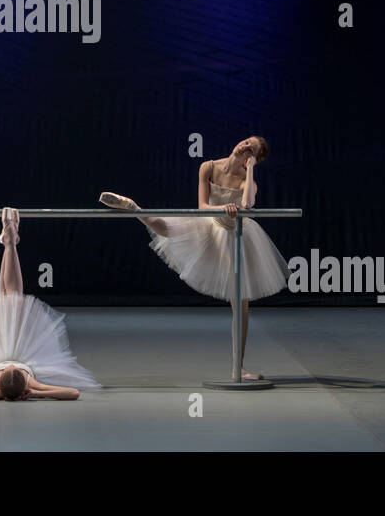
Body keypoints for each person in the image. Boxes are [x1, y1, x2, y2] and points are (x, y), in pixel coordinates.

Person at [99, 136, 288, 379]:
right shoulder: (208, 167)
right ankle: (135, 208)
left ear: (253, 159)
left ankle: (238, 367)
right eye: (246, 142)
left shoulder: (247, 180)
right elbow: (201, 206)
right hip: (210, 226)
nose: (245, 146)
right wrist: (223, 208)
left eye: (252, 149)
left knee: (240, 303)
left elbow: (248, 204)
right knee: (166, 229)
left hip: (236, 235)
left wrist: (250, 169)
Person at [0, 208, 99, 401]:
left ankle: (10, 244)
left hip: (14, 351)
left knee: (9, 296)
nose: (11, 366)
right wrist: (34, 392)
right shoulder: (9, 381)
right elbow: (73, 393)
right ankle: (10, 244)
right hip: (11, 351)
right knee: (8, 296)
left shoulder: (4, 382)